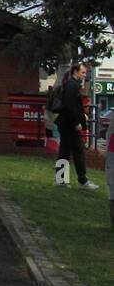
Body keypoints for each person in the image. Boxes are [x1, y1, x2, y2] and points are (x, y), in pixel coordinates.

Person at [56, 63, 98, 191]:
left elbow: (73, 106)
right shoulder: (72, 85)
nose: (84, 75)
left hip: (66, 124)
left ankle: (61, 180)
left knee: (64, 151)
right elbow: (69, 106)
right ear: (75, 72)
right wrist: (76, 123)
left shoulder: (71, 85)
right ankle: (82, 181)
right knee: (78, 151)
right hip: (70, 125)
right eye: (83, 72)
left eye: (85, 73)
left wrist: (81, 117)